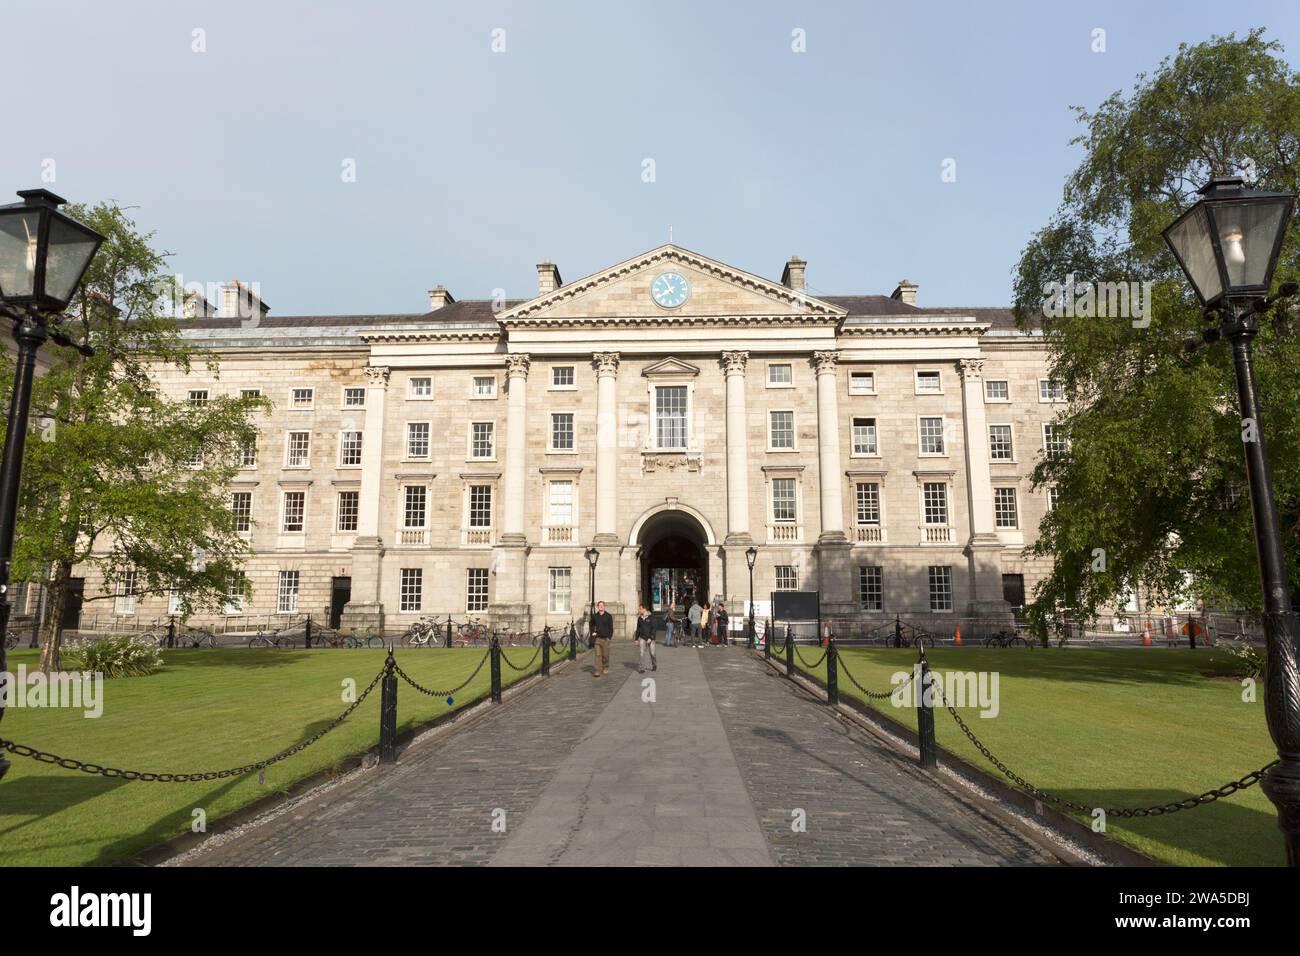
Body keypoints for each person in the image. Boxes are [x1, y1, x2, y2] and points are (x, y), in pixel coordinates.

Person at [589, 600, 613, 677]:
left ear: (604, 606)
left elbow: (611, 628)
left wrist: (609, 637)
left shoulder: (609, 616)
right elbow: (591, 624)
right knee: (597, 655)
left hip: (605, 639)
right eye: (599, 605)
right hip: (597, 639)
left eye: (602, 605)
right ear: (598, 607)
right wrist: (593, 632)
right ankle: (597, 670)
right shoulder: (595, 616)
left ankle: (605, 667)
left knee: (605, 656)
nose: (601, 606)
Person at [635, 604, 657, 673]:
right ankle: (641, 668)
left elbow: (654, 628)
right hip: (642, 638)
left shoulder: (652, 617)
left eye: (640, 608)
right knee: (641, 653)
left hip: (651, 638)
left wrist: (651, 637)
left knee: (652, 653)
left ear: (644, 609)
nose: (639, 610)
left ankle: (654, 665)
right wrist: (636, 639)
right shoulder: (639, 618)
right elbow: (638, 629)